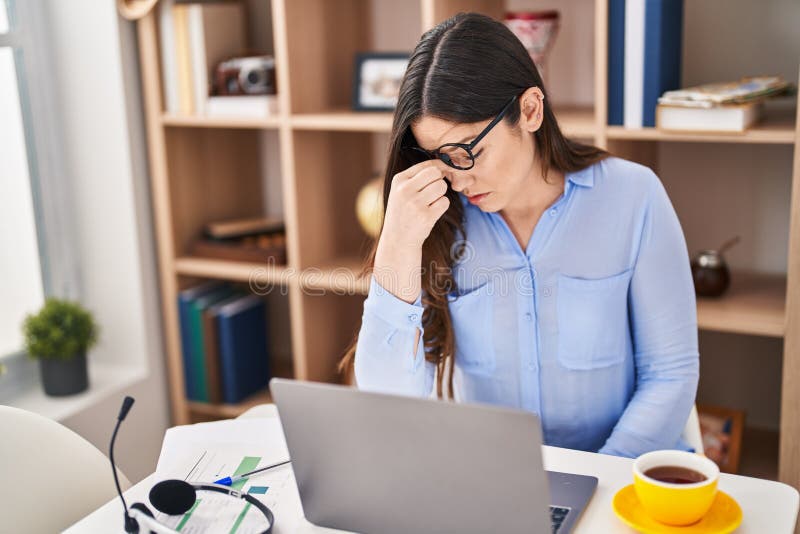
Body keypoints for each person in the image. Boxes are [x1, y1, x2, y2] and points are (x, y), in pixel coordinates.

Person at [339, 12, 699, 458]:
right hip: (494, 483)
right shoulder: (441, 223)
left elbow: (670, 372)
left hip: (621, 479)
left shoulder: (634, 196)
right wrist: (396, 245)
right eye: (436, 157)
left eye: (467, 151)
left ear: (529, 110)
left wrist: (594, 482)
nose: (456, 178)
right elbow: (388, 401)